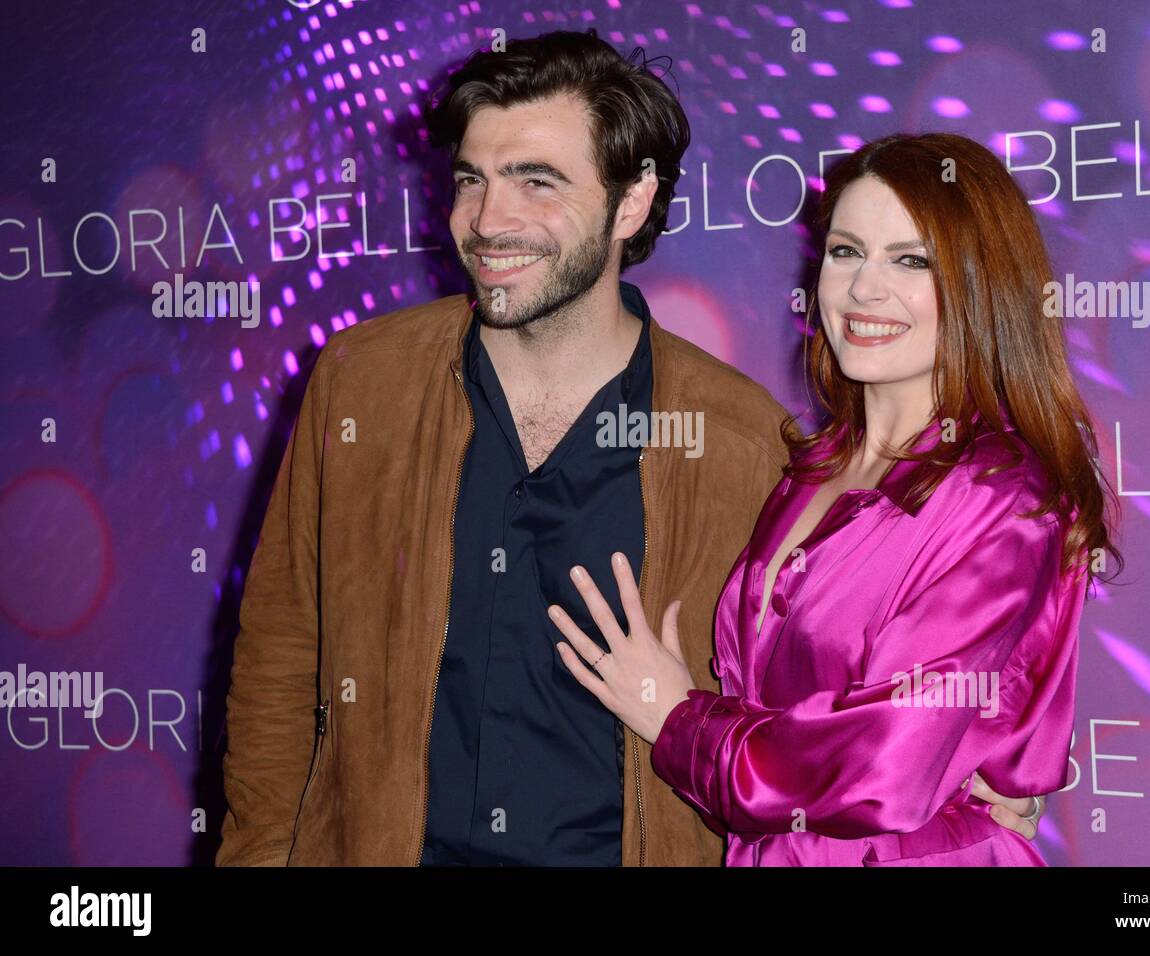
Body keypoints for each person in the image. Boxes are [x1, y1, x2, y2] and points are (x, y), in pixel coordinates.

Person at [216, 32, 1045, 867]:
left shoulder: (742, 440)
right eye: (472, 178)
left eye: (536, 181)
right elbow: (282, 658)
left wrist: (959, 768)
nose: (488, 220)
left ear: (632, 201)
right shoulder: (364, 384)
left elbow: (820, 697)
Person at [550, 131, 1122, 865]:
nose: (862, 289)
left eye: (911, 260)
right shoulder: (812, 471)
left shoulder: (1001, 498)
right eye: (846, 251)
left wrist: (677, 719)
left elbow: (886, 758)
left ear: (984, 288)